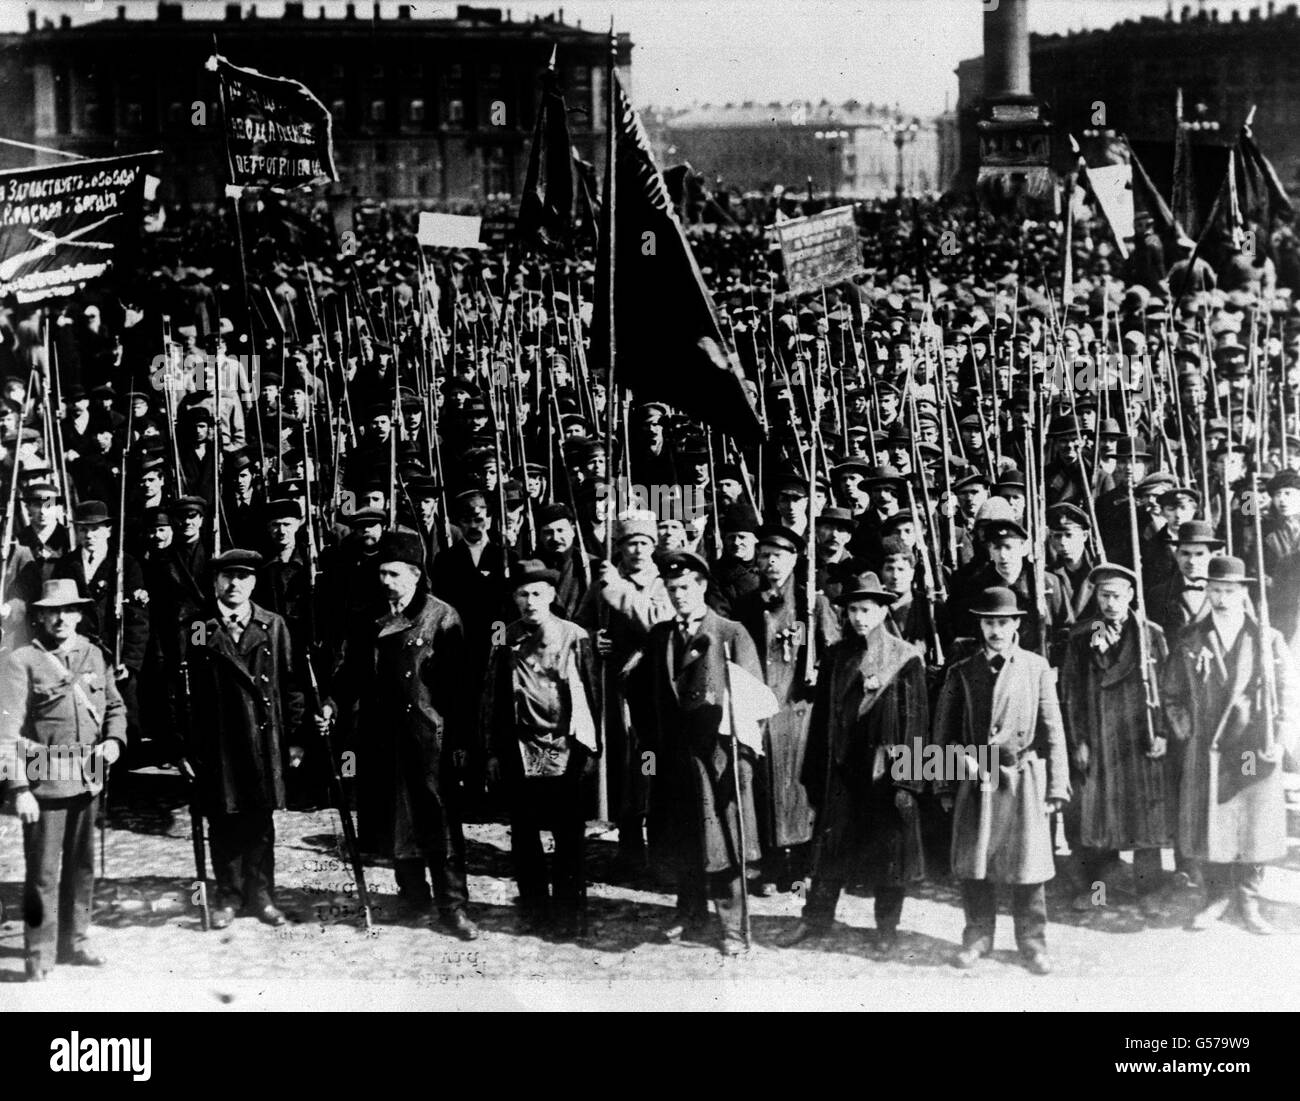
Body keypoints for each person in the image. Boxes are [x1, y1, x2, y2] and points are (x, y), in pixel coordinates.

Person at [323, 531, 479, 940]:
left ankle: (453, 906)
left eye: (393, 574)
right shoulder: (367, 618)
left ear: (414, 574)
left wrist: (461, 744)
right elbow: (350, 674)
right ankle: (413, 897)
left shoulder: (442, 617)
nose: (385, 581)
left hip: (429, 738)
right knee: (396, 821)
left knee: (438, 822)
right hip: (383, 736)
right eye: (381, 573)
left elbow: (461, 690)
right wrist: (331, 705)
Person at [777, 568, 930, 955]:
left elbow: (916, 725)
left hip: (884, 774)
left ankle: (886, 929)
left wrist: (907, 784)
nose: (858, 618)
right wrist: (813, 773)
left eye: (866, 610)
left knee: (888, 855)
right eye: (852, 611)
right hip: (842, 770)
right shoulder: (836, 655)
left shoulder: (905, 658)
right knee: (829, 849)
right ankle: (815, 919)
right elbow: (823, 720)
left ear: (882, 611)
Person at [933, 586, 1069, 975]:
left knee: (1028, 866)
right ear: (980, 625)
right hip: (976, 778)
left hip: (1022, 777)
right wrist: (944, 782)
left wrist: (1057, 785)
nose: (996, 630)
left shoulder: (1035, 667)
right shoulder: (961, 671)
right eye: (989, 622)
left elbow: (1053, 728)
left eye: (1003, 623)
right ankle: (977, 936)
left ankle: (1032, 942)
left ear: (1016, 626)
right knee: (976, 863)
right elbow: (943, 731)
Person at [1160, 556, 1299, 935]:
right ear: (1206, 591)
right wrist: (1184, 729)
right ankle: (1216, 898)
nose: (1221, 598)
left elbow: (1289, 692)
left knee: (1253, 821)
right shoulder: (1190, 638)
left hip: (1253, 746)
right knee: (1213, 824)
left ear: (1243, 594)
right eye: (1215, 590)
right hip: (1208, 748)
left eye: (1229, 591)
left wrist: (1282, 736)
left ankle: (1249, 901)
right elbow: (1170, 692)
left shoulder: (1266, 639)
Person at [0, 579, 127, 980]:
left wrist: (114, 741)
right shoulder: (21, 661)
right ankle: (39, 955)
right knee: (43, 874)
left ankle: (76, 941)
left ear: (78, 614)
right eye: (51, 611)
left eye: (68, 610)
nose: (60, 618)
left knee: (82, 868)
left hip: (88, 774)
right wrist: (19, 789)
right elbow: (6, 733)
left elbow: (115, 707)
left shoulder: (93, 654)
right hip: (44, 779)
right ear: (39, 616)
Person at [644, 549, 764, 956]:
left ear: (701, 587)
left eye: (684, 588)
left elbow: (753, 706)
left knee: (724, 841)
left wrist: (743, 760)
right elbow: (649, 698)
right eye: (671, 588)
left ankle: (733, 926)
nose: (677, 596)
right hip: (675, 756)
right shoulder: (660, 635)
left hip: (717, 755)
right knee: (682, 837)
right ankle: (689, 911)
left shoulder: (730, 633)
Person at [179, 549, 305, 929]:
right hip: (217, 739)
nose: (235, 584)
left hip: (263, 738)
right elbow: (182, 690)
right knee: (223, 819)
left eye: (243, 577)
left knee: (260, 820)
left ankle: (262, 894)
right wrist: (183, 747)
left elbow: (291, 682)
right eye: (227, 576)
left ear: (253, 582)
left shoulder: (273, 624)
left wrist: (296, 738)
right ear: (215, 581)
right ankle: (229, 894)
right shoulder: (199, 625)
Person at [481, 560, 598, 937]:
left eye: (537, 593)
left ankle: (569, 912)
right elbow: (490, 698)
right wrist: (492, 751)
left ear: (551, 596)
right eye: (522, 594)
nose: (530, 601)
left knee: (568, 836)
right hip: (520, 745)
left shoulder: (575, 636)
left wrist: (592, 750)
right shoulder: (504, 637)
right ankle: (533, 907)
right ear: (514, 599)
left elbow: (593, 698)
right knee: (525, 834)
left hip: (566, 746)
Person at [1059, 564, 1174, 913]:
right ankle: (1096, 891)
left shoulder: (1149, 634)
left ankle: (1149, 892)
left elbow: (1168, 687)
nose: (1110, 603)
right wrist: (1078, 739)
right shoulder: (1082, 637)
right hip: (1097, 736)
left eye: (1117, 595)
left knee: (1145, 818)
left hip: (1139, 737)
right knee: (1096, 817)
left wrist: (1164, 733)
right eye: (1103, 595)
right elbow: (1070, 693)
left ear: (1131, 596)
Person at [734, 524, 840, 892]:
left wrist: (817, 670)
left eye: (778, 556)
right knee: (763, 787)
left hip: (799, 711)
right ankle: (769, 863)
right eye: (764, 556)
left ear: (794, 559)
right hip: (761, 708)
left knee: (798, 789)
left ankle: (801, 867)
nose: (771, 562)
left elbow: (836, 653)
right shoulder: (747, 603)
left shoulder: (812, 602)